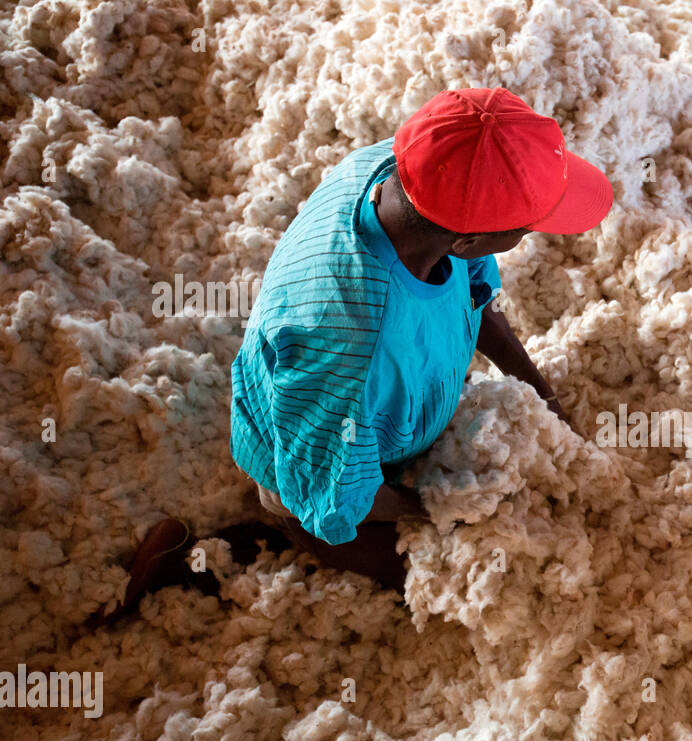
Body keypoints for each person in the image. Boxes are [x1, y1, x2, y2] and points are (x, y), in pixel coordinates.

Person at [102, 88, 613, 617]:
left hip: (374, 409)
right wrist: (443, 510)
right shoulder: (346, 345)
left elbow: (476, 300)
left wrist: (545, 397)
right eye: (526, 227)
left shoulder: (403, 176)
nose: (529, 234)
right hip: (321, 458)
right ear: (468, 242)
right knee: (460, 585)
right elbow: (341, 495)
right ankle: (198, 567)